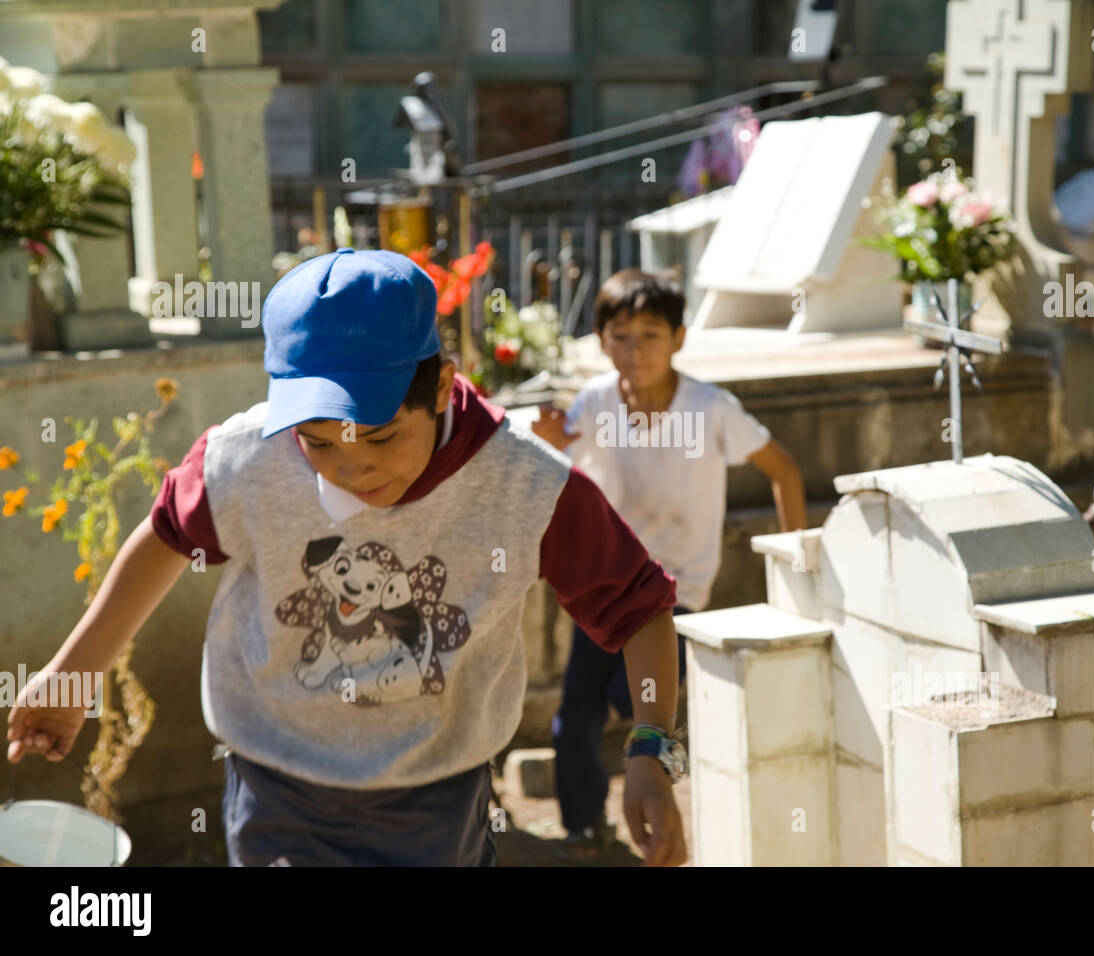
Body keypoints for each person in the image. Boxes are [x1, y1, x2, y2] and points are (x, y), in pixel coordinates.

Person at [6, 249, 688, 867]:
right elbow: (165, 538)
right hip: (276, 782)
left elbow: (641, 612)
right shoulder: (247, 459)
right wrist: (73, 674)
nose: (352, 468)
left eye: (382, 435)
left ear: (444, 385)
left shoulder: (528, 486)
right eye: (320, 442)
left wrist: (650, 748)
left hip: (439, 796)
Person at [533, 268, 806, 854]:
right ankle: (583, 827)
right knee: (575, 715)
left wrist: (797, 562)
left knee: (653, 718)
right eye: (621, 337)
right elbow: (556, 470)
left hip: (678, 596)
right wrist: (549, 444)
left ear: (679, 338)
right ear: (602, 341)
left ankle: (681, 822)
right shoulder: (594, 403)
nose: (636, 351)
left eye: (651, 336)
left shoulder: (712, 408)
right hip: (605, 591)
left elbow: (784, 469)